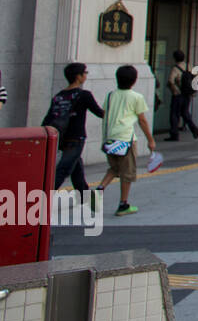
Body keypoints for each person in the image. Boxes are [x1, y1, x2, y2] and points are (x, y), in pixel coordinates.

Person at [93, 65, 158, 217]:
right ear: (134, 81)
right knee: (127, 173)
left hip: (109, 139)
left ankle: (99, 189)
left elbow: (105, 114)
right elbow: (142, 120)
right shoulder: (136, 97)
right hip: (126, 140)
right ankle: (123, 204)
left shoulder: (110, 96)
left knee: (115, 168)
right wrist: (150, 140)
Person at [42, 63, 105, 203]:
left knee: (76, 166)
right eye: (85, 73)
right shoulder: (84, 95)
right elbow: (101, 113)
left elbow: (47, 119)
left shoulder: (59, 96)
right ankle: (43, 199)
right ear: (79, 77)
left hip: (61, 137)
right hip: (76, 137)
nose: (86, 75)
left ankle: (85, 195)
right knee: (63, 169)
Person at [165, 50, 198, 141]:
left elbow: (171, 81)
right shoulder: (189, 66)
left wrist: (175, 90)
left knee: (174, 114)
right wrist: (193, 90)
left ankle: (174, 134)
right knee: (185, 113)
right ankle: (194, 129)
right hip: (187, 94)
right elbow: (197, 76)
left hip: (178, 95)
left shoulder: (176, 68)